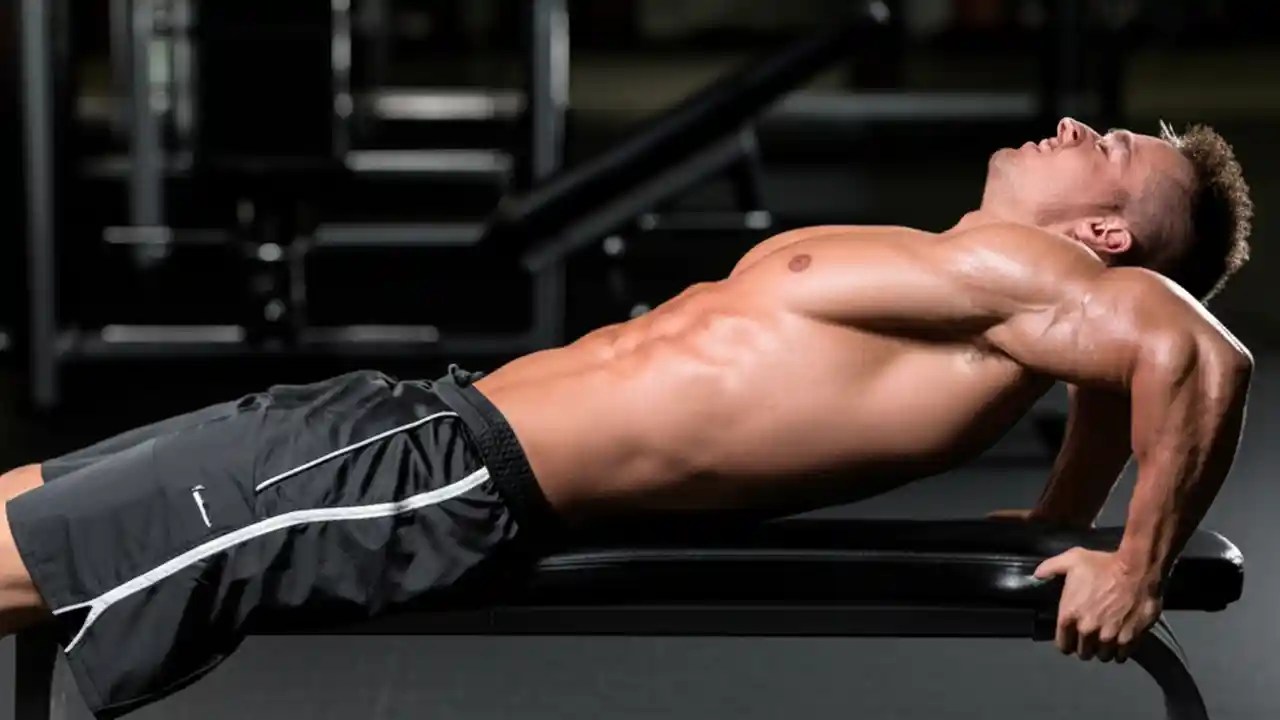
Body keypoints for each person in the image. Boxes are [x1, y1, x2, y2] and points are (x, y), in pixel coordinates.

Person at [0, 117, 1255, 718]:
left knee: (27, 564)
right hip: (402, 427)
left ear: (1103, 236)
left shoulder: (1050, 282)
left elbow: (1194, 353)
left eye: (1114, 152)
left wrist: (1130, 567)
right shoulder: (983, 285)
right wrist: (1058, 514)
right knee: (34, 510)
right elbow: (1121, 370)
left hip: (444, 474)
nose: (1078, 126)